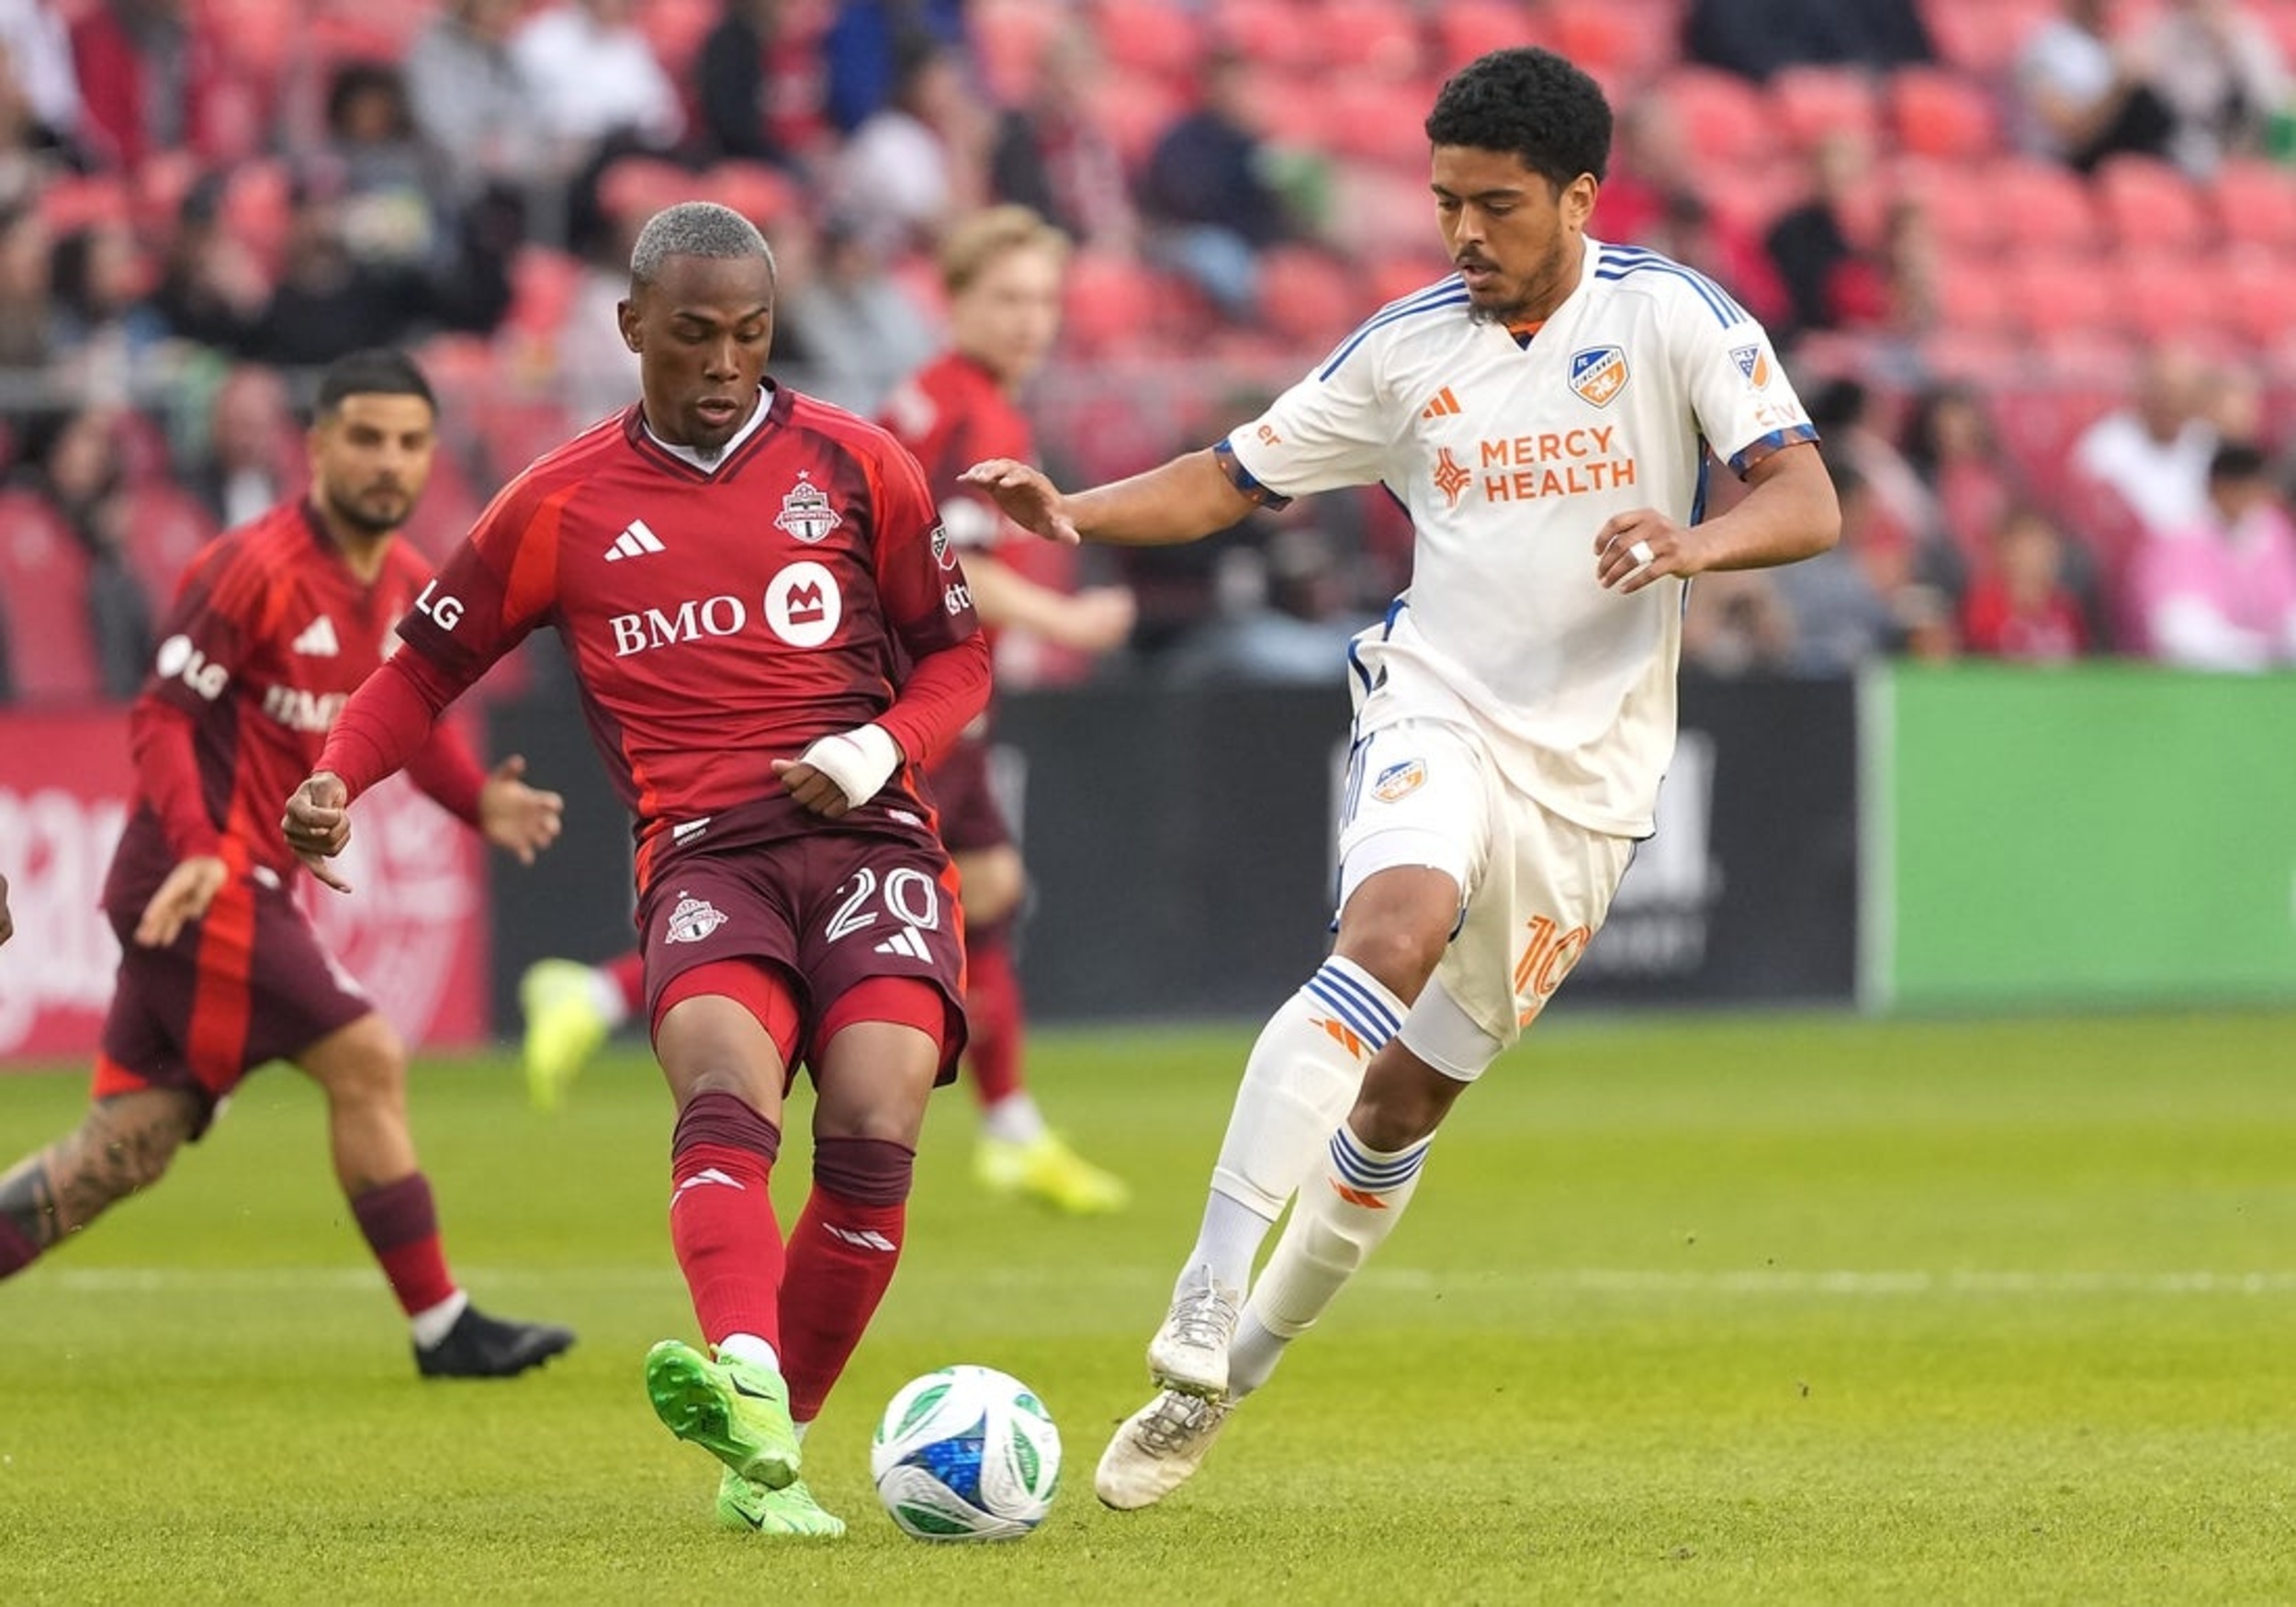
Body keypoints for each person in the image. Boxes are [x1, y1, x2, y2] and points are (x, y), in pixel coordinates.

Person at [963, 46, 1839, 1510]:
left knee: (1402, 1107)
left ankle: (1225, 1379)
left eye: (1495, 206)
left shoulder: (1674, 318)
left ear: (1578, 196)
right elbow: (1231, 475)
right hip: (1434, 700)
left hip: (1594, 780)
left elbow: (1805, 494)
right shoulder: (1406, 349)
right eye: (1444, 203)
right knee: (1389, 926)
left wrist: (1694, 543)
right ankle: (1202, 1283)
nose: (1463, 235)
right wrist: (1073, 515)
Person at [283, 202, 992, 1538]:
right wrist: (335, 775)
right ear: (630, 329)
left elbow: (958, 656)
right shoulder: (556, 503)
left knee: (876, 1116)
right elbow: (424, 668)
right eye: (693, 336)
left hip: (868, 840)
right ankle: (751, 1386)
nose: (725, 363)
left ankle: (765, 1447)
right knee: (726, 1086)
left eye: (749, 335)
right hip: (707, 855)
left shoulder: (858, 467)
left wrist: (878, 746)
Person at [0, 348, 575, 1382]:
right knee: (367, 1055)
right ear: (314, 446)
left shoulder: (403, 581)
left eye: (409, 443)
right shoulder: (250, 567)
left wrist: (476, 798)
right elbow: (162, 716)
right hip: (202, 879)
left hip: (240, 889)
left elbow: (413, 720)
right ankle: (444, 1325)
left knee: (121, 1150)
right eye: (364, 438)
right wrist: (196, 848)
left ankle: (444, 1325)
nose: (388, 463)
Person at [880, 204, 1136, 1209]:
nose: (1031, 319)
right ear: (954, 300)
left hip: (929, 695)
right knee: (855, 913)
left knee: (984, 892)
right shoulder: (970, 415)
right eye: (1007, 298)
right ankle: (601, 991)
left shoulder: (944, 398)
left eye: (1043, 299)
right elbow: (952, 569)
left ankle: (1010, 1127)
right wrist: (1069, 625)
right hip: (911, 693)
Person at [2127, 440, 2296, 669]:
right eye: (2235, 488)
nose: (2242, 498)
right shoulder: (2180, 533)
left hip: (2270, 644)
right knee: (2186, 632)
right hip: (2205, 653)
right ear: (2214, 487)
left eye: (2250, 488)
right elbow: (2176, 623)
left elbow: (2287, 604)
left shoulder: (2274, 529)